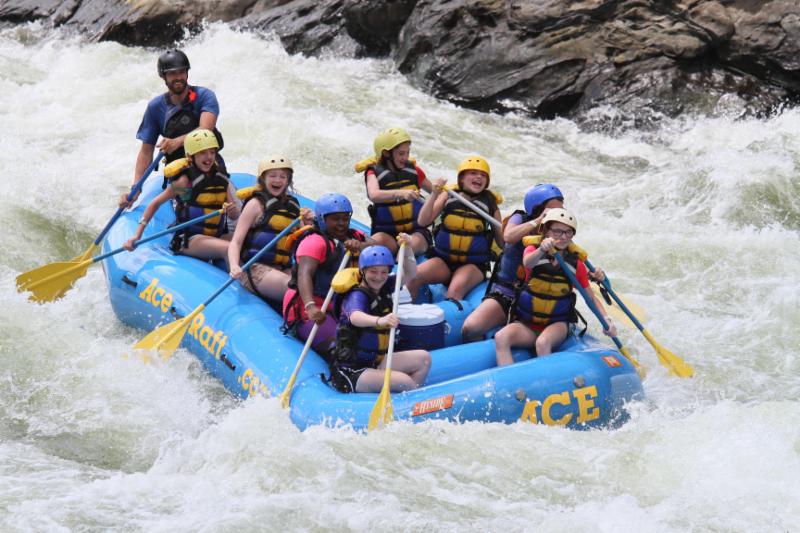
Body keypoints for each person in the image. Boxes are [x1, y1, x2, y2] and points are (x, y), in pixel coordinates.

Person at [493, 208, 617, 366]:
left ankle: (547, 382)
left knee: (543, 343)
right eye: (557, 231)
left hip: (557, 324)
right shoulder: (532, 250)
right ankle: (508, 381)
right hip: (528, 324)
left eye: (568, 232)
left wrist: (606, 319)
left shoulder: (575, 264)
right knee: (501, 337)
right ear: (545, 231)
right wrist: (542, 249)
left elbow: (590, 297)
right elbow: (528, 263)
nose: (563, 237)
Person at [461, 184, 564, 341]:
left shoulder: (560, 231)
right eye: (552, 210)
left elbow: (573, 263)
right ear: (537, 209)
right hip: (507, 291)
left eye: (561, 210)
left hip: (537, 299)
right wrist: (538, 221)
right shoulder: (520, 218)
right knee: (470, 327)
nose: (558, 214)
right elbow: (508, 236)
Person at [122, 49, 222, 207]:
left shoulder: (204, 96)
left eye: (181, 72)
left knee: (229, 207)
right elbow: (146, 151)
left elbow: (205, 130)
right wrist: (136, 187)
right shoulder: (155, 107)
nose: (178, 77)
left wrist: (176, 142)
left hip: (211, 167)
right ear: (163, 77)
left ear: (187, 73)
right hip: (179, 176)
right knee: (187, 207)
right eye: (172, 73)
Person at [328, 242, 431, 393]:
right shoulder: (357, 295)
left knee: (424, 359)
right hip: (352, 370)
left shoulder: (385, 285)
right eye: (373, 271)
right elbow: (355, 316)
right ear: (363, 271)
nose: (379, 277)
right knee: (405, 381)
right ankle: (408, 400)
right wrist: (380, 320)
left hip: (375, 361)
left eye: (384, 272)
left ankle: (405, 402)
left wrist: (408, 247)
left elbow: (410, 273)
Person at [123, 129, 239, 260]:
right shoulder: (185, 182)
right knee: (229, 248)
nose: (209, 157)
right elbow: (155, 204)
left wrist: (232, 211)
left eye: (212, 152)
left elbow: (233, 215)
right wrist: (137, 235)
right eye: (202, 153)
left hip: (215, 236)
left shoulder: (221, 178)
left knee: (246, 241)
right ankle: (242, 279)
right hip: (189, 239)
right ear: (191, 156)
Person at [282, 193, 374, 357]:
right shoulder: (315, 242)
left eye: (345, 219)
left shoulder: (354, 236)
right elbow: (305, 274)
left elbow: (381, 249)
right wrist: (310, 306)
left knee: (371, 344)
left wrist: (361, 245)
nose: (341, 224)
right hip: (311, 307)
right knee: (341, 350)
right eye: (336, 219)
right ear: (323, 220)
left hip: (343, 305)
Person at [405, 156, 504, 301]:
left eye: (483, 175)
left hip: (473, 265)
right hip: (443, 260)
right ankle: (404, 316)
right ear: (462, 178)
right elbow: (423, 221)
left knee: (454, 291)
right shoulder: (449, 195)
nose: (479, 177)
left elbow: (502, 242)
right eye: (473, 173)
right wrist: (434, 193)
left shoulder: (490, 204)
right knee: (414, 277)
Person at [227, 156, 314, 302]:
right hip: (254, 269)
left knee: (313, 287)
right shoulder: (255, 204)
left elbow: (305, 241)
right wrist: (234, 265)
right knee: (298, 290)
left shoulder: (293, 206)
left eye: (283, 176)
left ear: (288, 180)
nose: (278, 180)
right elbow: (236, 242)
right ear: (263, 179)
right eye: (272, 176)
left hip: (283, 268)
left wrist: (308, 223)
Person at [355, 127, 433, 256]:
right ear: (386, 153)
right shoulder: (373, 172)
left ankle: (403, 263)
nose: (406, 157)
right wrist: (400, 193)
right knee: (374, 242)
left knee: (407, 247)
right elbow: (374, 195)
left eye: (408, 153)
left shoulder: (414, 171)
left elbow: (436, 193)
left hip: (416, 233)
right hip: (388, 235)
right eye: (401, 153)